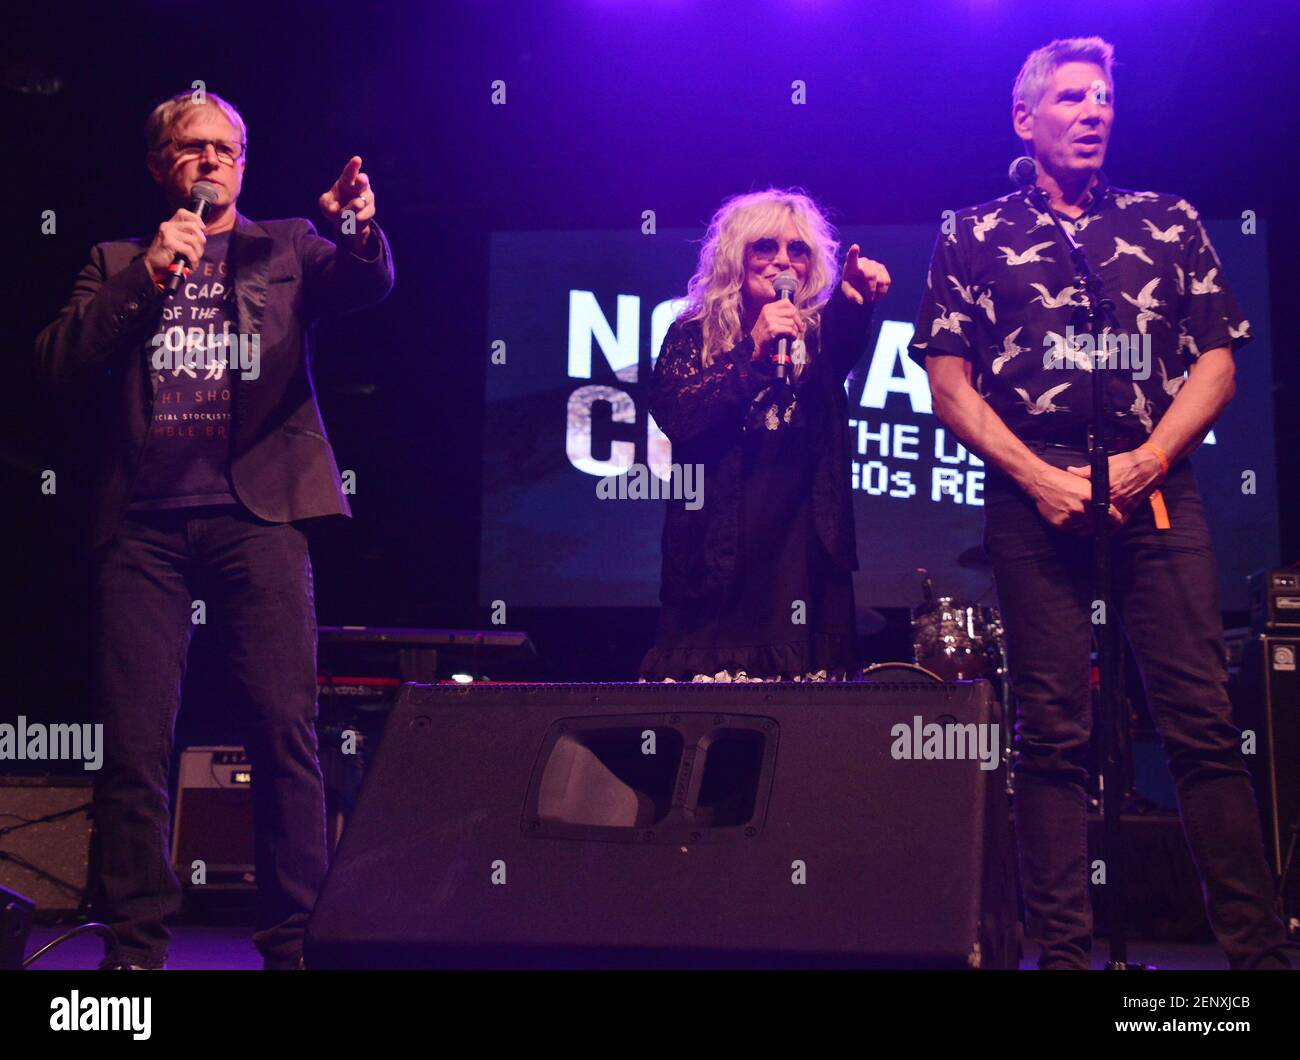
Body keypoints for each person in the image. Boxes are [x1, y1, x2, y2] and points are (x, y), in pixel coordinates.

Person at [909, 37, 1288, 969]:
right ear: (1024, 118)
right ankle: (1067, 961)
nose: (1094, 111)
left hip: (1153, 491)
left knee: (1202, 723)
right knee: (1051, 738)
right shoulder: (973, 232)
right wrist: (1040, 479)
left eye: (1105, 97)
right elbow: (949, 385)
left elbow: (1218, 360)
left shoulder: (1166, 220)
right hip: (1032, 500)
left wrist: (1150, 460)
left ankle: (1260, 958)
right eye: (1073, 97)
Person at [33, 90, 394, 970]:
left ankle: (294, 944)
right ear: (163, 167)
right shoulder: (118, 257)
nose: (210, 162)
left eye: (224, 149)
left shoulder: (286, 248)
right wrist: (145, 275)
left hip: (257, 518)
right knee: (135, 747)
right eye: (192, 150)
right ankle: (133, 953)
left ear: (243, 160)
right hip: (142, 529)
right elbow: (57, 361)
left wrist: (354, 228)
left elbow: (368, 283)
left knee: (283, 732)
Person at [639, 189, 889, 683]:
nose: (783, 261)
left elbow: (842, 337)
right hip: (717, 566)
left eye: (798, 250)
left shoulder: (813, 334)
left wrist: (854, 302)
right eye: (766, 247)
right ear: (737, 255)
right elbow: (680, 418)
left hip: (802, 565)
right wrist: (751, 351)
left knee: (806, 739)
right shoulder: (692, 335)